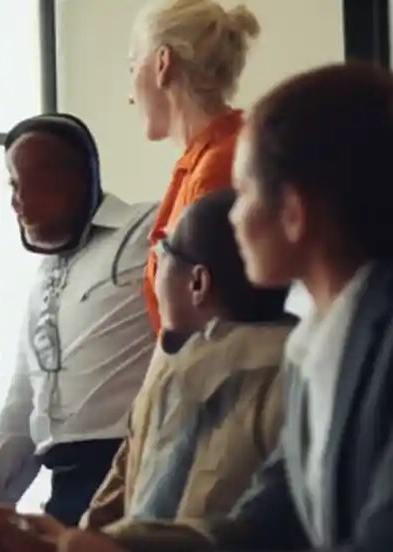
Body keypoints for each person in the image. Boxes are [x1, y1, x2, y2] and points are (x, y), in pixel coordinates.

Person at [0, 63, 393, 552]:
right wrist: (69, 549)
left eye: (242, 193)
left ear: (292, 212)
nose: (232, 214)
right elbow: (259, 528)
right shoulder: (321, 339)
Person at [0, 113, 157, 547]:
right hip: (65, 492)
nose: (17, 201)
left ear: (78, 181)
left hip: (136, 481)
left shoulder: (148, 229)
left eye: (30, 183)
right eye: (12, 185)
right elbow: (20, 416)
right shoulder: (45, 276)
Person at [77, 188, 292, 552]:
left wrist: (63, 550)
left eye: (160, 259)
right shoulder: (306, 362)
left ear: (197, 283)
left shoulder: (181, 373)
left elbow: (100, 523)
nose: (155, 278)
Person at [130, 0, 261, 330]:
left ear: (163, 63)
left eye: (132, 67)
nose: (129, 96)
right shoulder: (206, 159)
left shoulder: (219, 168)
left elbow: (206, 319)